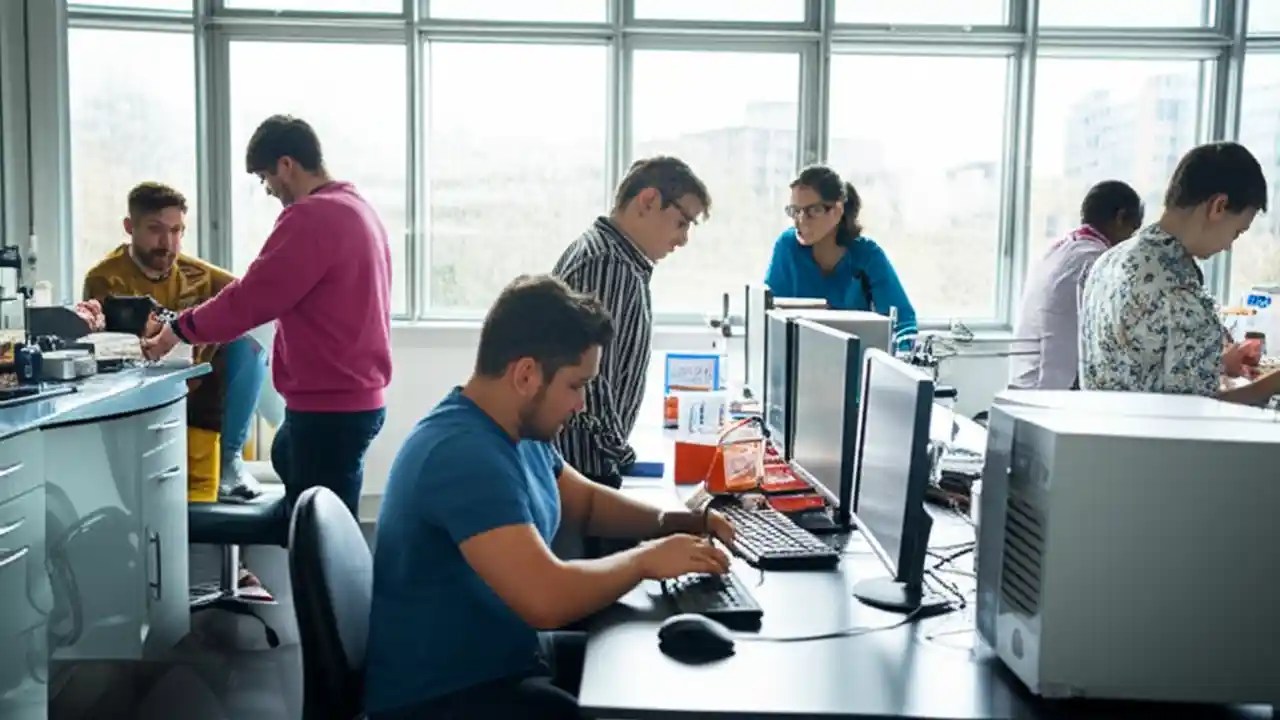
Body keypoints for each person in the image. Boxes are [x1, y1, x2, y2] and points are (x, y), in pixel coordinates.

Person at [364, 274, 735, 720]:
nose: (581, 405)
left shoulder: (518, 430)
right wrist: (646, 560)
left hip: (503, 660)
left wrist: (683, 522)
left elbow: (589, 506)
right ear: (526, 375)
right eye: (576, 386)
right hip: (447, 698)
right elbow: (547, 598)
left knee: (652, 668)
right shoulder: (462, 455)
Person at [141, 114, 392, 516]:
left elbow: (250, 299)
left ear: (286, 165)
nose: (269, 189)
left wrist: (177, 330)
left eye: (265, 177)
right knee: (298, 472)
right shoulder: (357, 208)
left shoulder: (312, 217)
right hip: (357, 398)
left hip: (329, 406)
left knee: (319, 542)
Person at [83, 182, 269, 502]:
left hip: (198, 386)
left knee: (250, 345)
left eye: (177, 231)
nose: (167, 244)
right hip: (141, 390)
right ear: (130, 227)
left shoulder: (197, 272)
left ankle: (229, 461)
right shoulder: (105, 277)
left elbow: (249, 298)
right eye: (155, 230)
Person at [550, 156, 711, 489]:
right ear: (648, 201)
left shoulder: (618, 261)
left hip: (586, 467)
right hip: (584, 471)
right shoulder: (608, 265)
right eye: (682, 223)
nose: (683, 240)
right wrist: (622, 456)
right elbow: (590, 383)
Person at [1080, 141, 1280, 404]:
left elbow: (1142, 371)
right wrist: (1270, 385)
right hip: (1153, 444)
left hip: (1097, 437)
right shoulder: (1181, 295)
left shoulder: (1109, 261)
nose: (1230, 246)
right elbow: (1198, 419)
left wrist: (1216, 362)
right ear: (1218, 206)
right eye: (1237, 232)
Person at [1009, 180, 1144, 390]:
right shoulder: (1095, 261)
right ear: (1120, 218)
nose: (1128, 241)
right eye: (1132, 231)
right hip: (1054, 389)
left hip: (1025, 379)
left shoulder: (1057, 250)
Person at [765, 165, 918, 343]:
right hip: (799, 358)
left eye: (813, 210)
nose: (801, 221)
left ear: (837, 211)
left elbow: (904, 323)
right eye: (795, 211)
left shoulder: (867, 256)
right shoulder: (787, 247)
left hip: (856, 361)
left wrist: (897, 354)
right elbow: (768, 314)